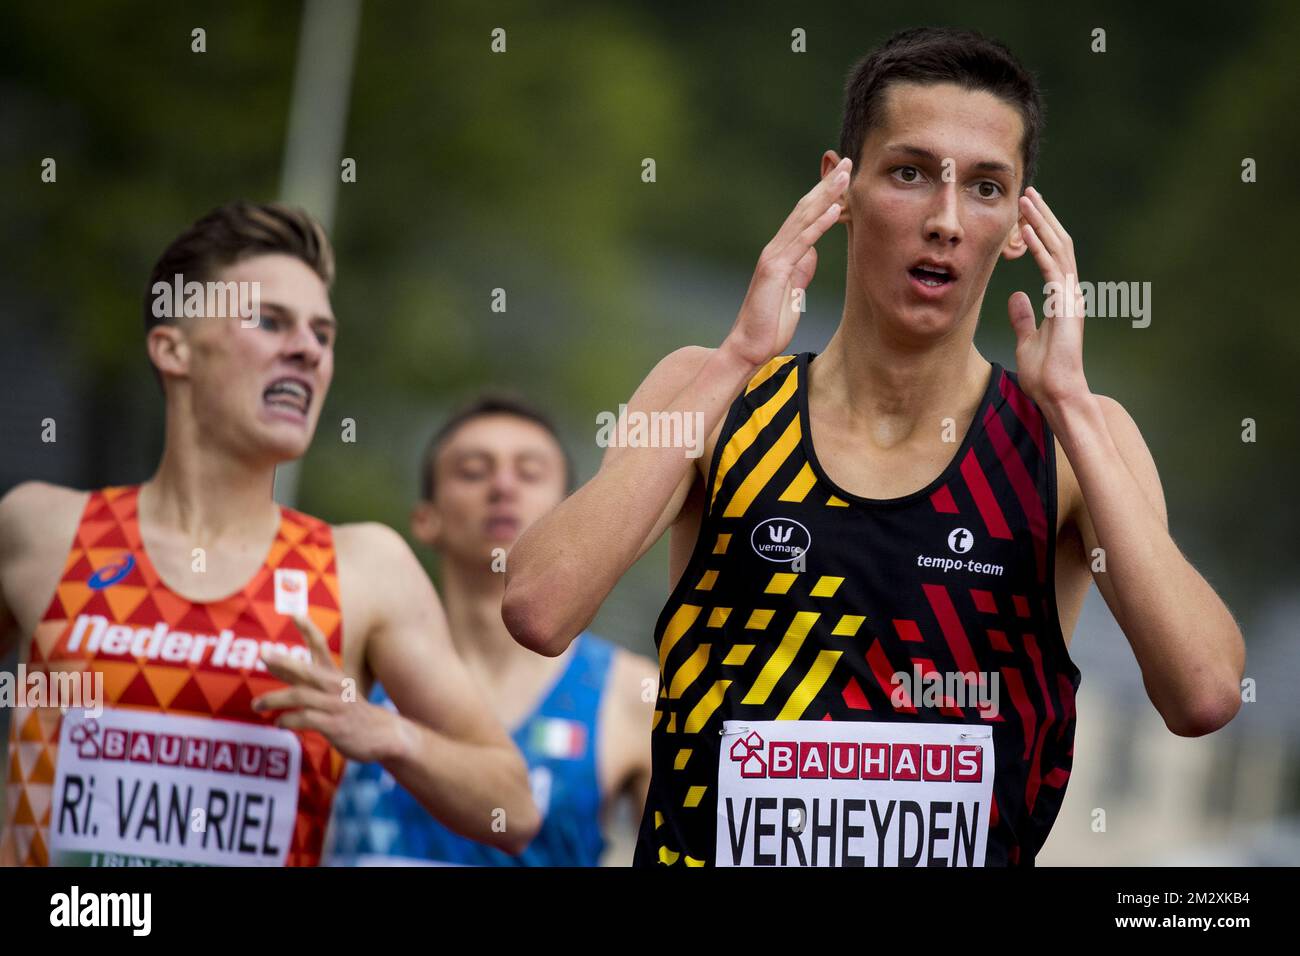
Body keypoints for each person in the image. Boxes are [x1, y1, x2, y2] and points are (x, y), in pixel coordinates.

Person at [502, 27, 1246, 867]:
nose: (946, 220)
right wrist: (736, 359)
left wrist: (1070, 405)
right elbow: (538, 607)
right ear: (840, 188)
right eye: (910, 173)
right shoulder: (712, 392)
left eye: (987, 187)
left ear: (1017, 227)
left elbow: (1206, 693)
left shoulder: (1074, 440)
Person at [0, 201, 538, 866]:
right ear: (173, 348)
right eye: (270, 321)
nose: (308, 349)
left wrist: (386, 733)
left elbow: (513, 806)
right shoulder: (43, 530)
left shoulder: (364, 568)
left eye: (323, 334)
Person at [329, 396, 655, 865]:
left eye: (529, 472)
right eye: (473, 471)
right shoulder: (358, 662)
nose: (503, 486)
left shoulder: (633, 692)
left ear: (570, 513)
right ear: (426, 520)